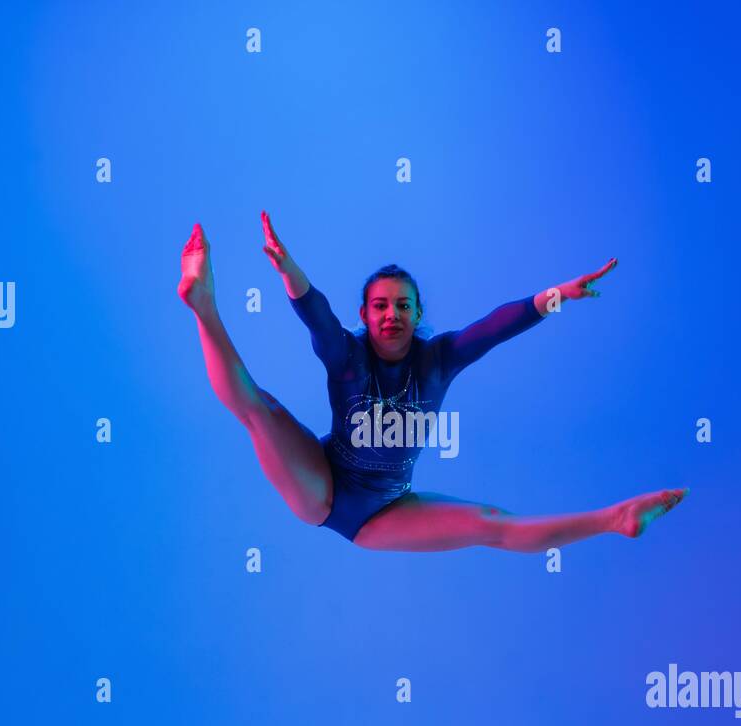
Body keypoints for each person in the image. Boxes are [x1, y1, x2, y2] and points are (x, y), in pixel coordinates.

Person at [177, 212, 687, 552]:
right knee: (257, 407)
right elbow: (318, 315)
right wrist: (288, 269)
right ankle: (204, 307)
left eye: (403, 305)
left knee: (493, 524)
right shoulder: (347, 355)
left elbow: (497, 325)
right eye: (380, 306)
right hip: (324, 483)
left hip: (387, 510)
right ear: (365, 314)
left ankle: (615, 519)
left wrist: (559, 295)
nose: (391, 314)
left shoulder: (439, 359)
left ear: (419, 313)